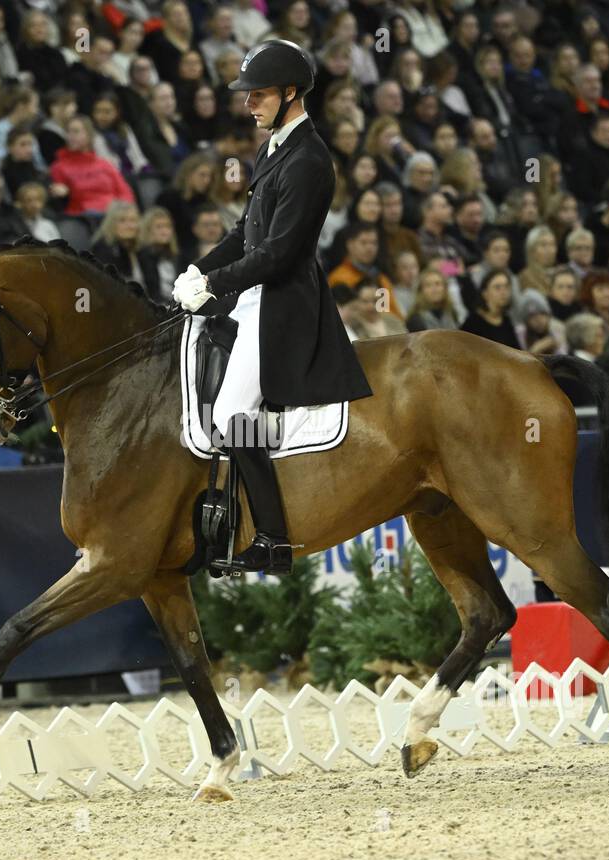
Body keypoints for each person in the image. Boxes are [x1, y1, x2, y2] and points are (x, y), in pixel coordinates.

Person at [172, 39, 371, 575]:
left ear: (290, 93)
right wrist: (200, 269)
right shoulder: (275, 148)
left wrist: (212, 284)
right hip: (255, 297)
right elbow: (246, 231)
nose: (248, 104)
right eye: (247, 94)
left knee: (233, 416)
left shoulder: (308, 160)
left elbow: (279, 253)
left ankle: (274, 539)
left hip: (285, 305)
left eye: (257, 94)